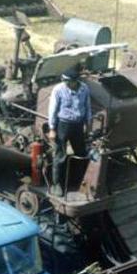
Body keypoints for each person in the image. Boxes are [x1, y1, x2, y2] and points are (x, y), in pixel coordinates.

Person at [48, 66, 92, 196]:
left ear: (76, 81)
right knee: (60, 155)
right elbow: (53, 110)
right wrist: (52, 129)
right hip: (63, 125)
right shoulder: (59, 89)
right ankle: (57, 184)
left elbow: (87, 107)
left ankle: (79, 181)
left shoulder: (84, 89)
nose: (66, 83)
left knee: (81, 153)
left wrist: (88, 125)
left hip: (78, 126)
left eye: (68, 81)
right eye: (64, 80)